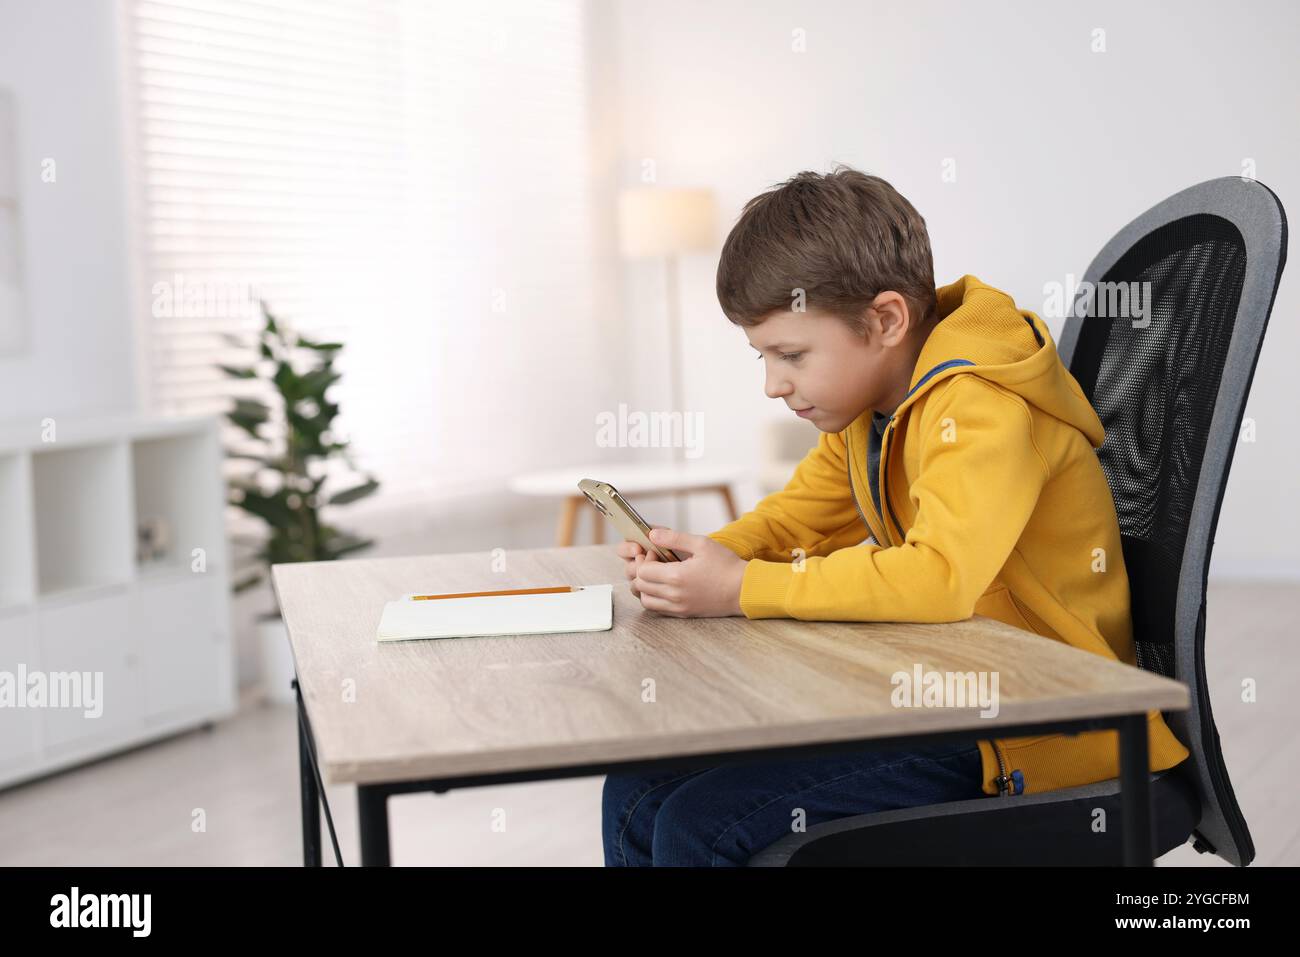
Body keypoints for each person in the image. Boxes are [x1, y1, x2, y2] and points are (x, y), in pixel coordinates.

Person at [603, 165, 1189, 866]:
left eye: (790, 354)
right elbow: (797, 518)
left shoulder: (979, 405)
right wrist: (698, 559)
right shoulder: (870, 411)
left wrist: (738, 587)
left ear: (885, 319)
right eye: (762, 355)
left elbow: (938, 576)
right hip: (948, 690)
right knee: (636, 789)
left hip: (1040, 717)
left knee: (704, 825)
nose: (771, 384)